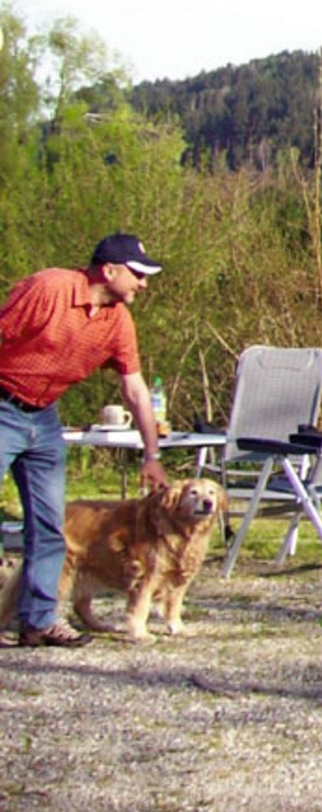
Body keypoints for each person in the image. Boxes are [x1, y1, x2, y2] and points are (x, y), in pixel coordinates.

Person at [0, 234, 172, 647]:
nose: (143, 284)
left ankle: (38, 621)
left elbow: (134, 387)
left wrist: (152, 454)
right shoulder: (49, 289)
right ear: (108, 270)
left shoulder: (117, 322)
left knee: (49, 524)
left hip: (42, 418)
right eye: (138, 275)